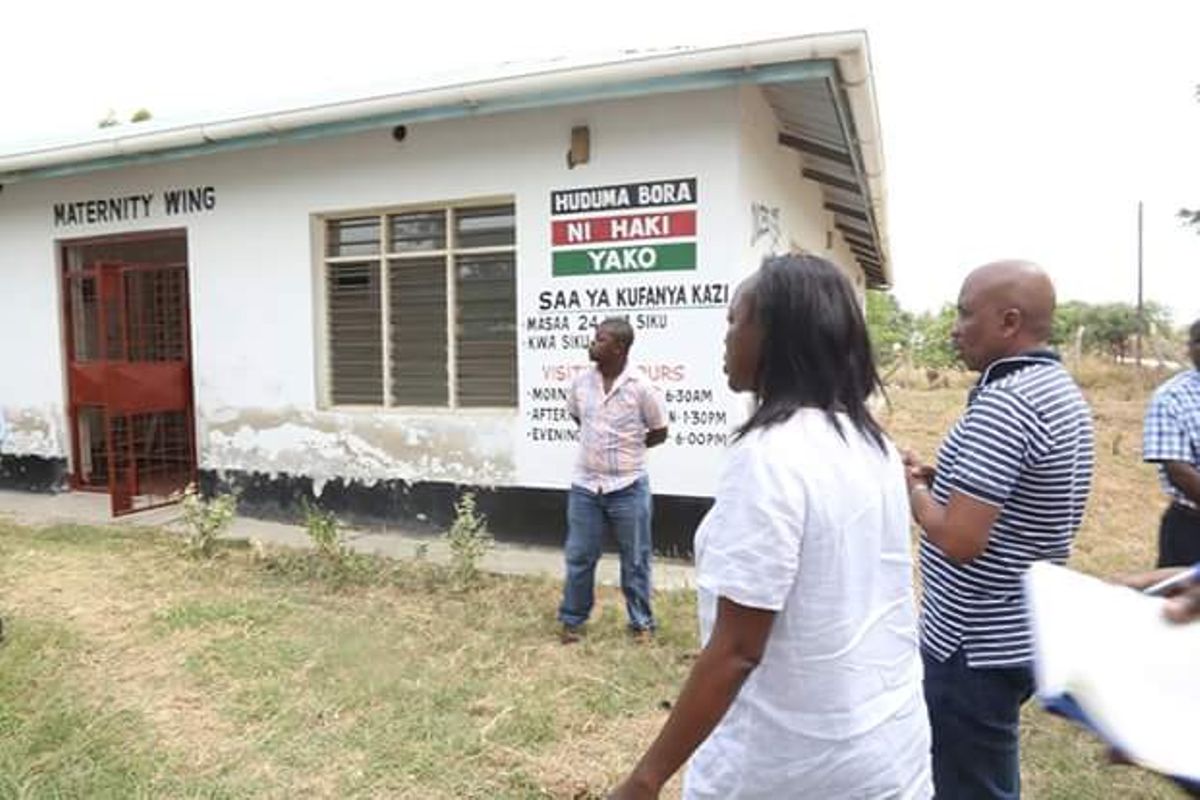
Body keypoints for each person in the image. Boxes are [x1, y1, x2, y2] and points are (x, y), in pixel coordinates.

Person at [611, 254, 932, 799]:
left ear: (776, 336)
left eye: (735, 320)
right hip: (887, 748)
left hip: (793, 764)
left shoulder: (770, 456)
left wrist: (644, 781)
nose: (726, 337)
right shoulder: (872, 444)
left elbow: (738, 649)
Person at [904, 260, 1095, 800]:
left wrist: (911, 490)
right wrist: (942, 480)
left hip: (972, 639)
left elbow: (960, 540)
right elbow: (1021, 494)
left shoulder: (1006, 404)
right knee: (983, 773)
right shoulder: (1057, 390)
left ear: (1009, 322)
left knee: (968, 784)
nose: (954, 329)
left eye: (965, 314)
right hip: (1017, 626)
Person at [558, 317, 668, 643]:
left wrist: (628, 449)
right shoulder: (581, 383)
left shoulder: (642, 387)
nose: (593, 344)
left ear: (620, 347)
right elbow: (577, 416)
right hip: (586, 487)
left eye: (601, 339)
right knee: (580, 556)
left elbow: (659, 431)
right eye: (595, 338)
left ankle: (641, 624)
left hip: (628, 487)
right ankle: (572, 621)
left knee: (635, 560)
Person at [1141, 319, 1200, 568]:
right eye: (1198, 341)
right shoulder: (1172, 397)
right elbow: (1179, 472)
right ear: (1190, 348)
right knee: (1181, 590)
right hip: (1191, 530)